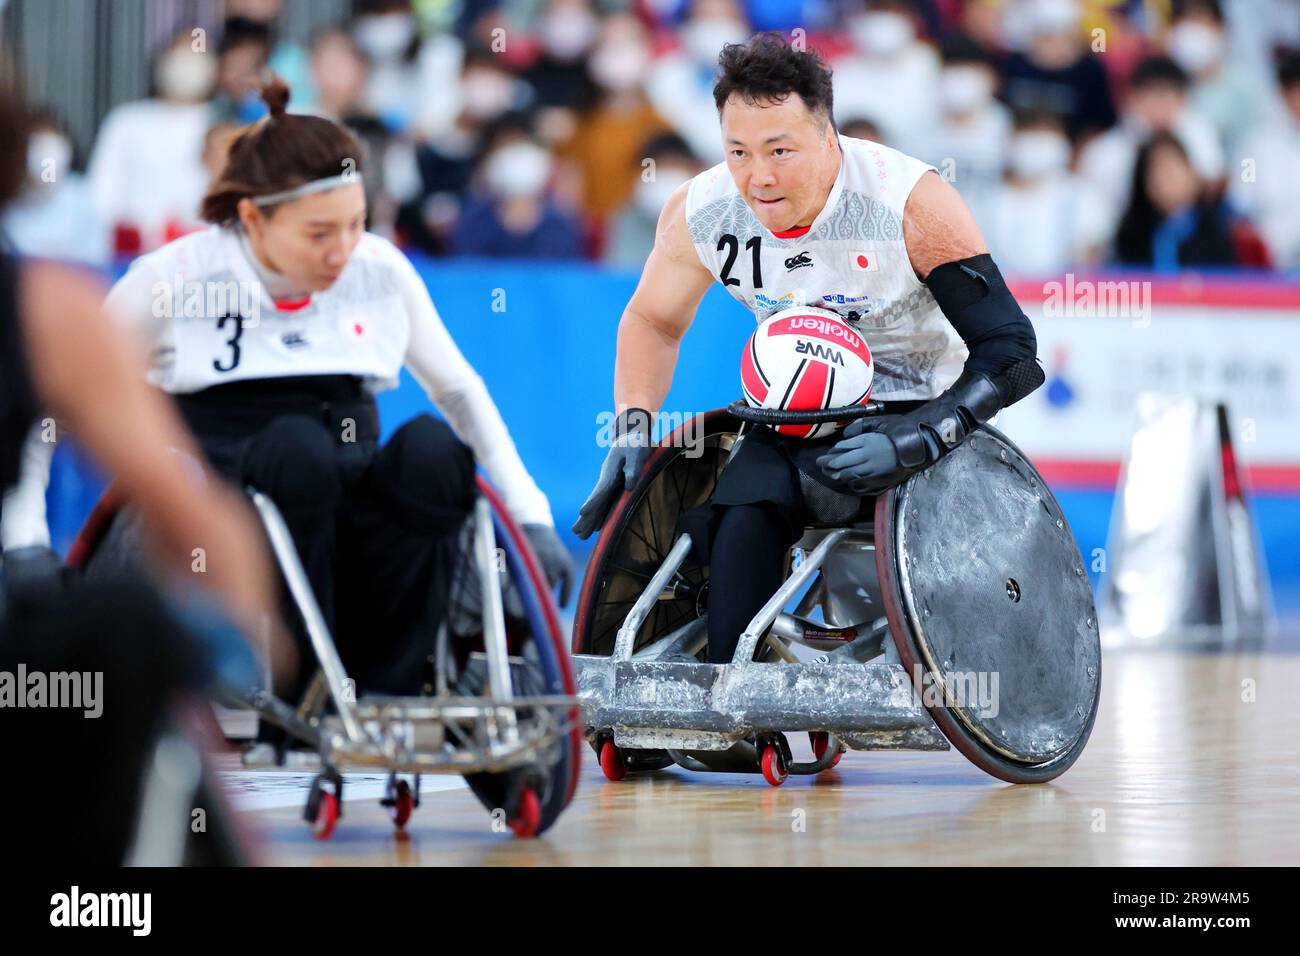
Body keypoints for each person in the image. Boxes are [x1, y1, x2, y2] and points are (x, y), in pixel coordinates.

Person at [4, 77, 573, 707]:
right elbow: (47, 407)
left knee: (434, 451)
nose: (343, 250)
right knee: (298, 451)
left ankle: (393, 687)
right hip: (227, 502)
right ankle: (297, 681)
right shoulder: (173, 277)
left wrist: (530, 516)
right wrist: (25, 536)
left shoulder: (378, 267)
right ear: (252, 217)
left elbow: (461, 393)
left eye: (356, 225)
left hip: (350, 494)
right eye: (319, 233)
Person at [572, 34, 1043, 665]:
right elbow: (653, 322)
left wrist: (925, 436)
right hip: (794, 406)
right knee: (740, 512)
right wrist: (633, 422)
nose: (758, 176)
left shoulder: (910, 203)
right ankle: (734, 689)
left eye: (780, 150)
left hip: (918, 406)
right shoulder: (704, 209)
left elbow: (1013, 352)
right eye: (738, 151)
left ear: (828, 138)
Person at [0, 75, 281, 864]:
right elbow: (194, 522)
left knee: (123, 618)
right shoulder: (50, 304)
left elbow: (182, 507)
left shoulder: (51, 305)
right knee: (127, 623)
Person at [1113, 130, 1246, 271]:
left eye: (1172, 171)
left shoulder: (1219, 224)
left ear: (1191, 173)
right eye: (1158, 174)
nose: (1167, 183)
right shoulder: (1132, 234)